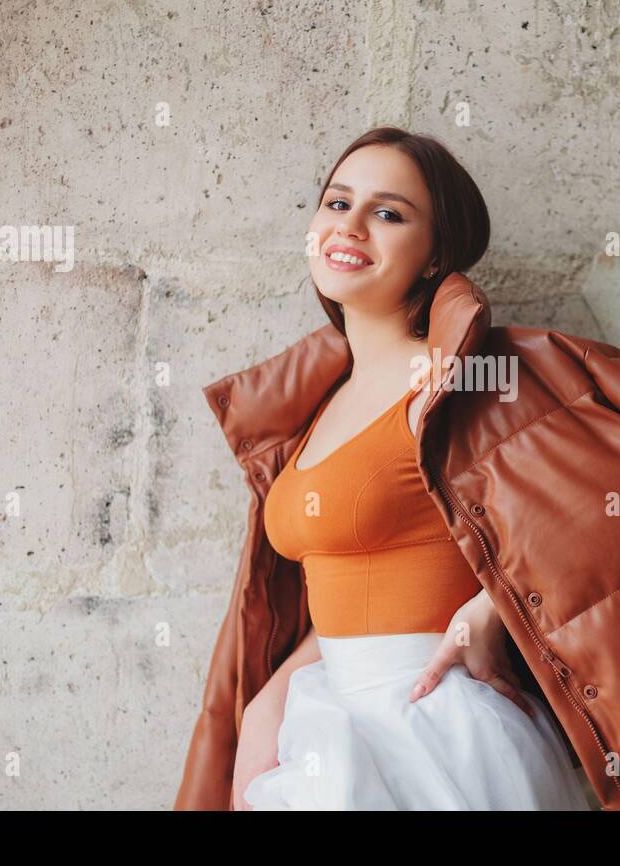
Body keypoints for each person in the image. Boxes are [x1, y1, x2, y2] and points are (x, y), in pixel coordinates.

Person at [232, 127, 592, 810]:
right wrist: (266, 706)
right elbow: (350, 585)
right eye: (337, 203)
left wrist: (489, 614)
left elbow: (617, 506)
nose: (351, 226)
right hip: (326, 722)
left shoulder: (461, 378)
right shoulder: (319, 405)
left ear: (434, 259)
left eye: (388, 213)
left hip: (438, 728)